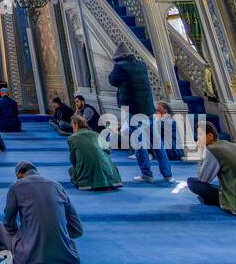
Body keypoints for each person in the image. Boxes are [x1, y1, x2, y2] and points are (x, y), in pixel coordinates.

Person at [0, 161, 83, 264]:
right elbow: (77, 230)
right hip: (66, 262)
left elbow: (8, 225)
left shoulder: (16, 187)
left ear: (20, 174)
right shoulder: (57, 186)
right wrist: (61, 236)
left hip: (29, 261)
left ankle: (8, 263)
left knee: (0, 227)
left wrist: (20, 234)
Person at [108, 42, 170, 183]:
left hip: (134, 110)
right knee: (156, 142)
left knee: (138, 142)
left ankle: (146, 174)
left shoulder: (119, 67)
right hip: (148, 108)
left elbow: (112, 80)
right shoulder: (141, 65)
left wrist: (116, 66)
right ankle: (167, 174)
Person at [67, 114, 122, 191]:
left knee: (71, 170)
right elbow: (108, 150)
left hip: (87, 179)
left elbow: (73, 161)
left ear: (75, 125)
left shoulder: (72, 138)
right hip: (111, 178)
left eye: (72, 126)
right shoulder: (96, 134)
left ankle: (89, 182)